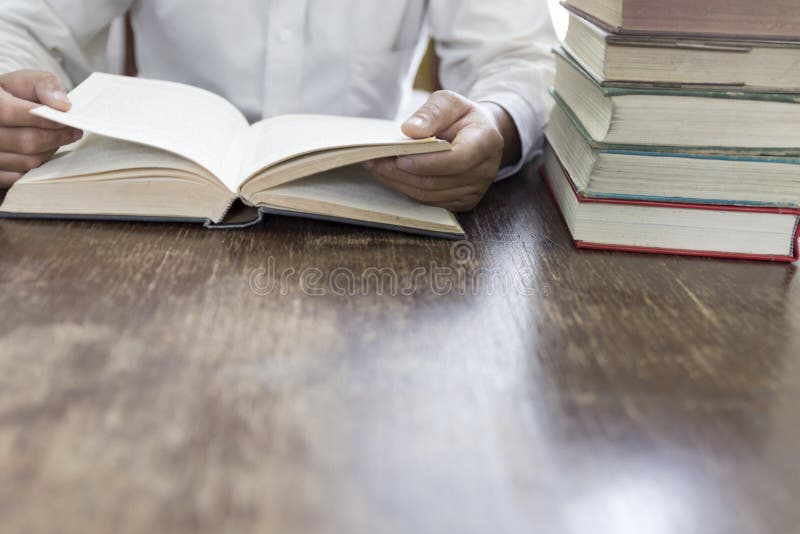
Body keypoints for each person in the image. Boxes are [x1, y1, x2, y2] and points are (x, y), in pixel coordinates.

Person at [0, 1, 555, 211]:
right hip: (160, 200)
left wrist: (496, 124)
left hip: (375, 208)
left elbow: (520, 60)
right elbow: (21, 21)